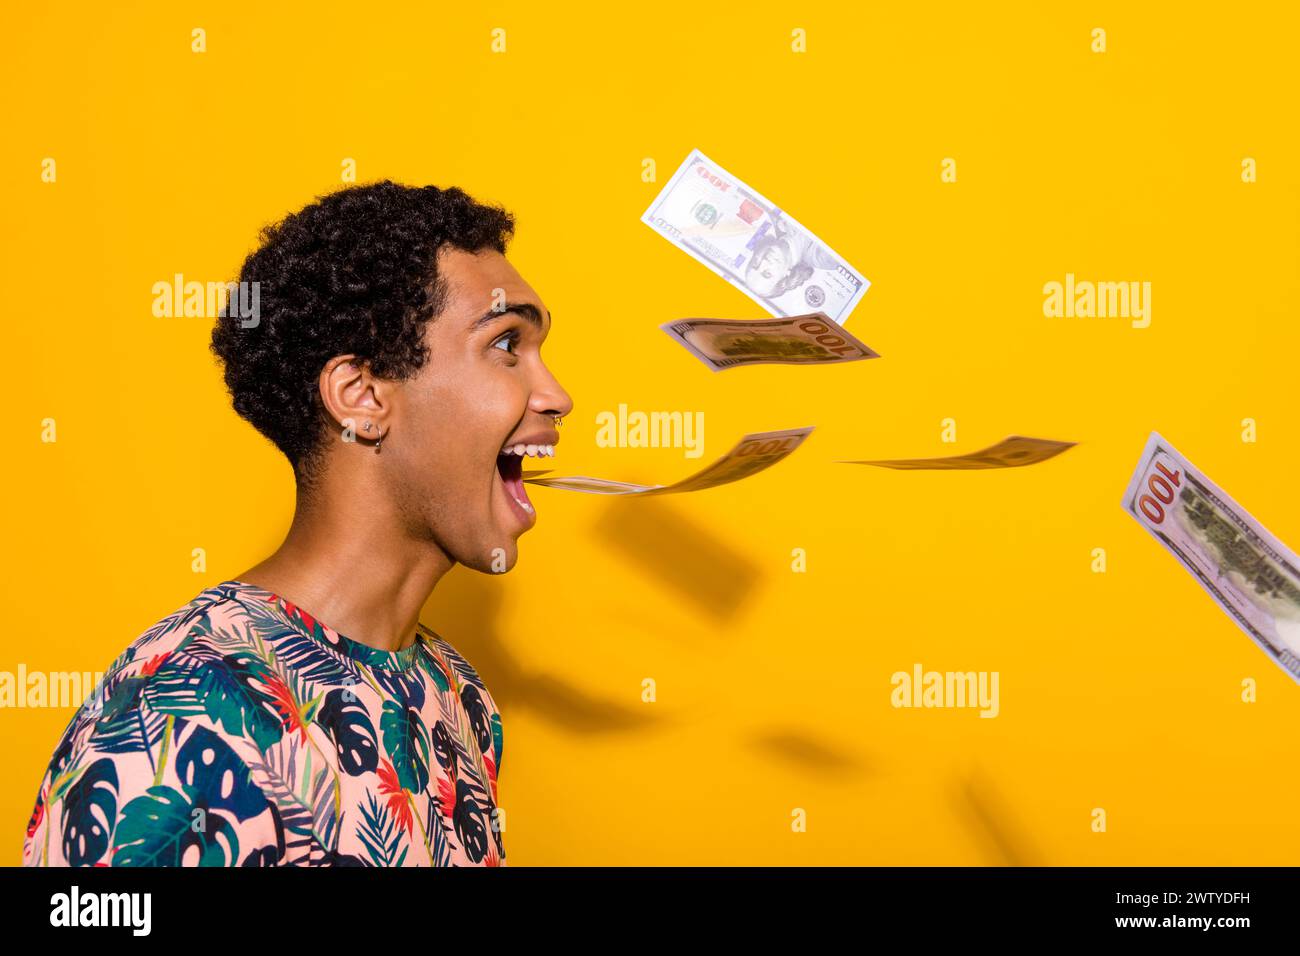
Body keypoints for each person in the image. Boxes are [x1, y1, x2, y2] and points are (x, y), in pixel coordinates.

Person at [22, 180, 573, 866]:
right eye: (506, 345)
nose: (557, 395)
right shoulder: (177, 713)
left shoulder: (459, 697)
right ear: (363, 396)